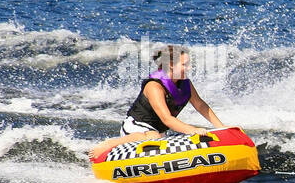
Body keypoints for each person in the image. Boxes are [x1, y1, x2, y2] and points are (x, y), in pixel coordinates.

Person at [90, 45, 226, 157]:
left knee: (160, 136)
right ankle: (110, 144)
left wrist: (222, 128)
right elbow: (167, 119)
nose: (189, 68)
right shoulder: (154, 86)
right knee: (154, 137)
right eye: (185, 64)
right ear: (171, 65)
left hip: (159, 131)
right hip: (136, 126)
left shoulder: (185, 84)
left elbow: (201, 105)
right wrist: (192, 130)